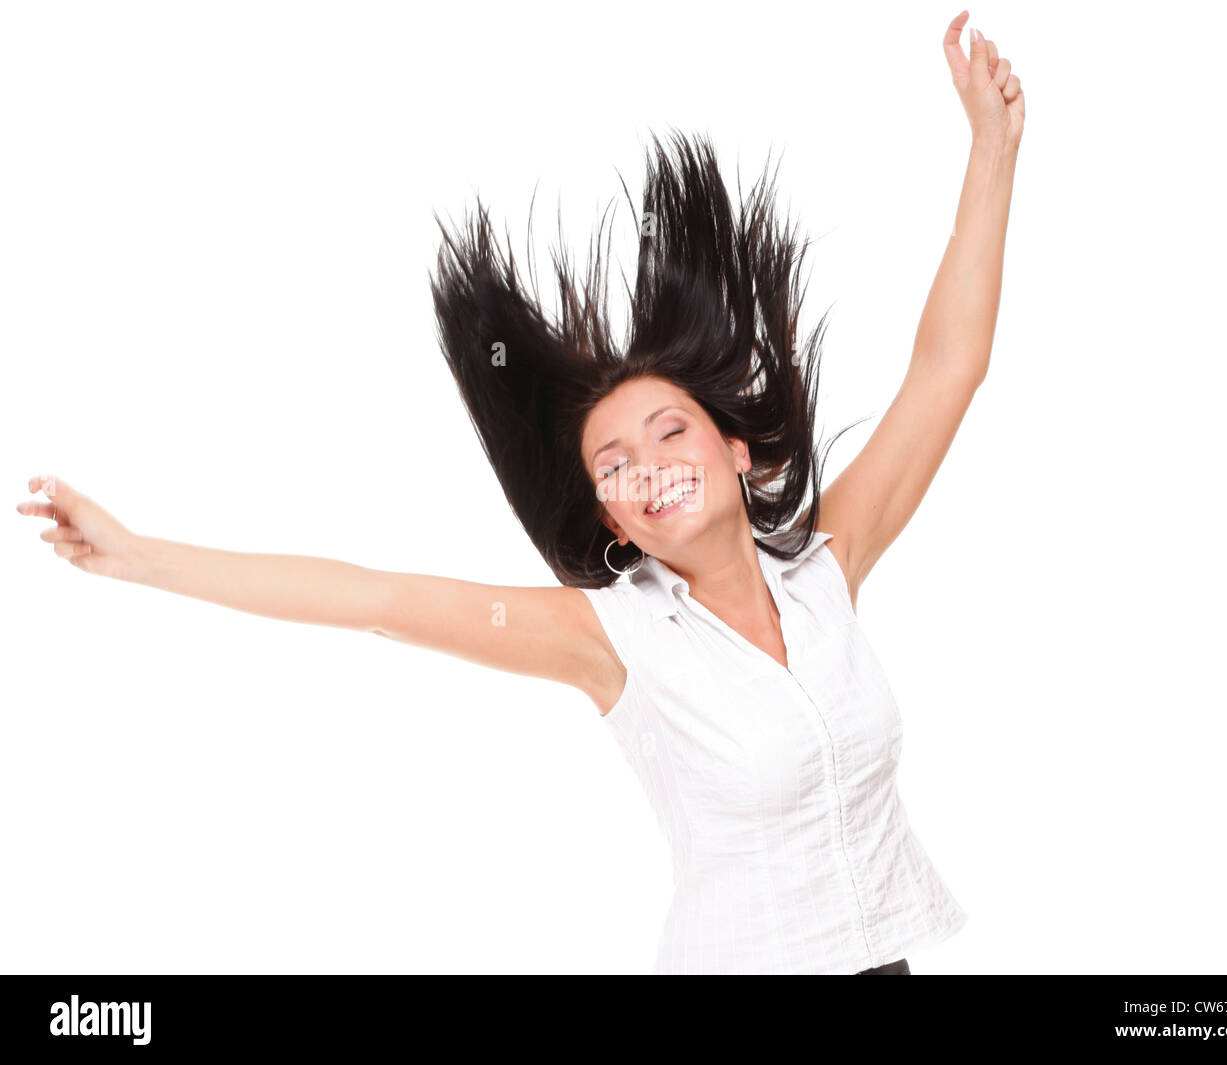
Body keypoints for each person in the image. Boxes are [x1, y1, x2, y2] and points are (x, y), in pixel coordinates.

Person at [17, 11, 1022, 975]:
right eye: (613, 463)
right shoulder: (612, 639)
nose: (646, 462)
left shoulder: (825, 569)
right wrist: (137, 555)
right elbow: (375, 599)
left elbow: (945, 370)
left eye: (669, 430)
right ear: (613, 517)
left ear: (738, 450)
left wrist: (991, 148)